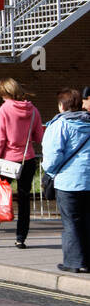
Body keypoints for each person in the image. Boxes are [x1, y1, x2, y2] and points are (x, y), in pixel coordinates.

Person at [0, 78, 43, 249]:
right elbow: (39, 137)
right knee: (25, 200)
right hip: (27, 159)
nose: (2, 98)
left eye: (2, 95)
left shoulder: (4, 109)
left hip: (7, 161)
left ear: (5, 93)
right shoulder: (33, 110)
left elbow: (0, 140)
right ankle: (21, 239)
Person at [44, 88, 90, 273]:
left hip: (68, 181)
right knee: (87, 221)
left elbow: (53, 156)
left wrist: (50, 172)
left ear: (62, 105)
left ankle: (74, 262)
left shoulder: (60, 124)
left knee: (71, 221)